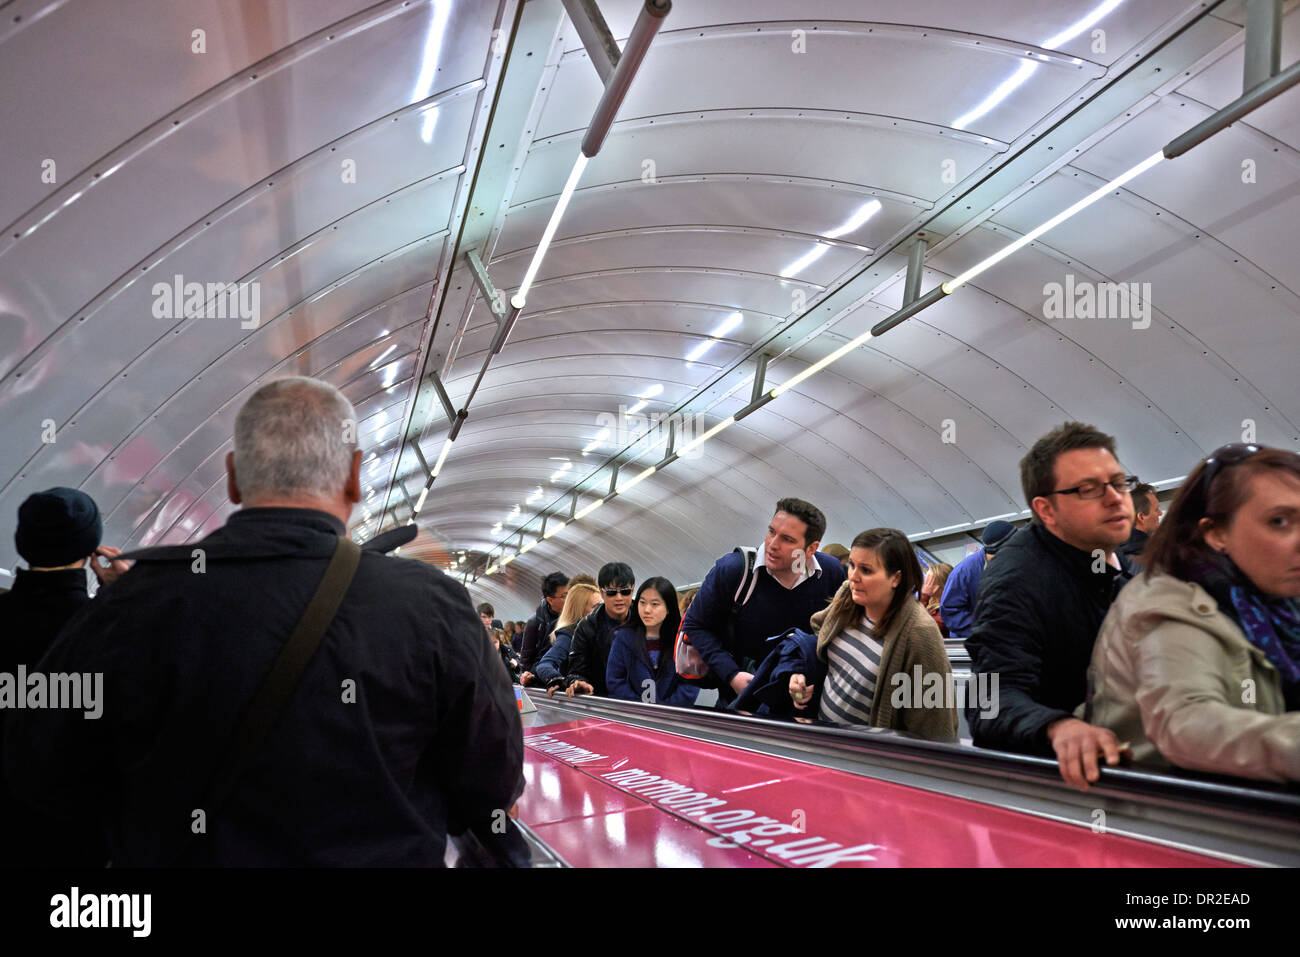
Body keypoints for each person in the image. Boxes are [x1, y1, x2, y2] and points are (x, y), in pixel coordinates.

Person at [3, 376, 523, 865]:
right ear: (356, 475)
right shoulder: (431, 605)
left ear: (232, 476)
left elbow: (43, 771)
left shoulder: (132, 603)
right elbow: (491, 781)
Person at [1088, 444, 1300, 782]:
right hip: (1165, 818)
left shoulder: (1277, 604)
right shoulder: (1167, 604)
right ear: (1216, 534)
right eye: (1278, 521)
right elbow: (1186, 724)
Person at [965, 421, 1138, 790]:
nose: (1115, 498)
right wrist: (1059, 727)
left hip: (1125, 772)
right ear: (1046, 509)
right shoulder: (1017, 581)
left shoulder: (1118, 562)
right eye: (1089, 489)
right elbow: (989, 699)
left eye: (1120, 483)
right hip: (1053, 791)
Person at [0, 488, 125, 868]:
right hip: (65, 842)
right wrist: (122, 600)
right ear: (92, 550)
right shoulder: (110, 633)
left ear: (22, 543)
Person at [786, 529, 956, 741]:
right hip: (823, 739)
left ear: (895, 578)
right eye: (852, 566)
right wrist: (801, 673)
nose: (853, 577)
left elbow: (936, 726)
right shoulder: (848, 597)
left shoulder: (919, 634)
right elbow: (819, 631)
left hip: (869, 756)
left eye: (866, 570)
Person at [680, 498, 845, 699]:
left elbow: (834, 634)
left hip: (802, 700)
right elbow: (695, 624)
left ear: (811, 548)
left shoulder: (831, 574)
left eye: (787, 539)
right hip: (741, 695)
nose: (772, 545)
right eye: (771, 532)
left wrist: (815, 675)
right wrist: (732, 675)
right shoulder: (734, 571)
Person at [607, 578, 699, 707]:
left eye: (655, 604)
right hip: (632, 716)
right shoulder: (623, 638)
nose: (647, 610)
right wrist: (640, 708)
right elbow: (615, 681)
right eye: (642, 602)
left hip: (673, 718)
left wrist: (666, 710)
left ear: (669, 608)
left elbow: (689, 684)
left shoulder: (683, 641)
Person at [563, 562, 635, 697]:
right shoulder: (586, 627)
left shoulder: (644, 619)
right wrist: (578, 682)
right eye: (612, 593)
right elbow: (576, 671)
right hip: (605, 701)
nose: (619, 598)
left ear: (633, 589)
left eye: (625, 592)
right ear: (602, 593)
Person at [938, 521, 1016, 642]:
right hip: (972, 644)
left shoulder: (1017, 564)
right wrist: (985, 629)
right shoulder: (964, 572)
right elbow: (950, 612)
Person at [527, 582, 601, 690]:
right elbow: (545, 664)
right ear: (579, 608)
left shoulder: (601, 629)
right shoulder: (569, 633)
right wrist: (558, 680)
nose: (602, 610)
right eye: (596, 607)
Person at [520, 572, 569, 674]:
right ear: (550, 600)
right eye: (564, 596)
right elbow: (526, 664)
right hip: (544, 683)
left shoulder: (575, 618)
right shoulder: (535, 623)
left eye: (570, 594)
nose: (569, 600)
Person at [1117, 482, 1161, 571]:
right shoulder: (1146, 558)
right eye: (1156, 509)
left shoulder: (1117, 555)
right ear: (1141, 517)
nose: (1160, 513)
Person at [920, 562, 953, 638]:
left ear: (940, 584)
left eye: (929, 580)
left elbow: (919, 628)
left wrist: (924, 596)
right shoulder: (930, 605)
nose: (925, 583)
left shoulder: (946, 612)